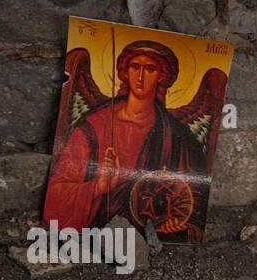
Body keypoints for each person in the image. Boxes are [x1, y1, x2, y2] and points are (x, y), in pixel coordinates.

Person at [44, 40, 208, 240]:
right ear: (125, 72)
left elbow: (193, 196)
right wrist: (97, 187)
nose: (140, 76)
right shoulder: (94, 127)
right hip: (98, 234)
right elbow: (56, 195)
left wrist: (179, 221)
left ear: (162, 77)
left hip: (146, 233)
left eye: (150, 69)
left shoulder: (176, 135)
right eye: (134, 67)